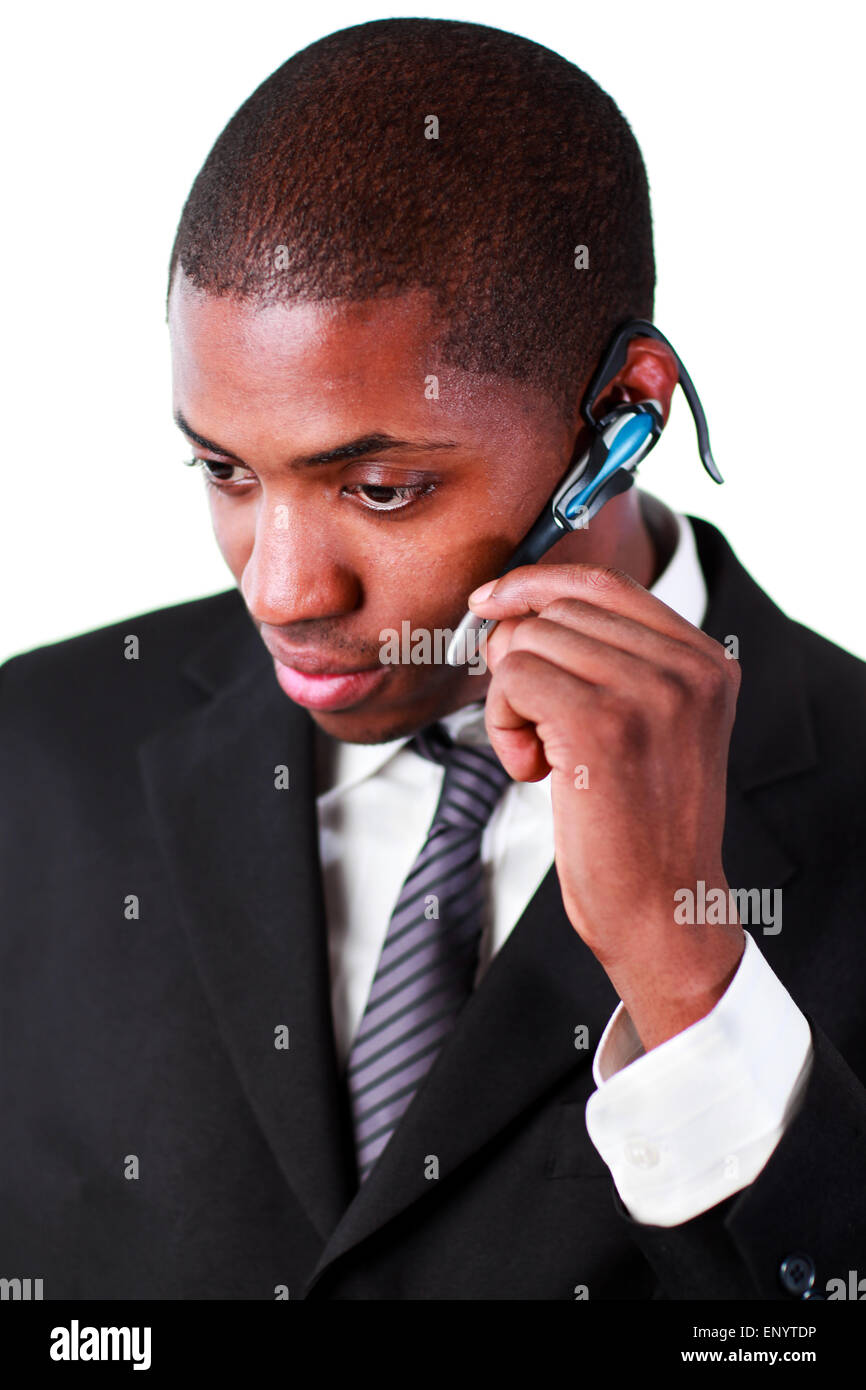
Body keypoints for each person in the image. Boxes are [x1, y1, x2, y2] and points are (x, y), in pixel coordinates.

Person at [1, 17, 864, 1302]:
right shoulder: (37, 750)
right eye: (226, 470)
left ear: (624, 413)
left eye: (383, 486)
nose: (281, 588)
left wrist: (688, 982)